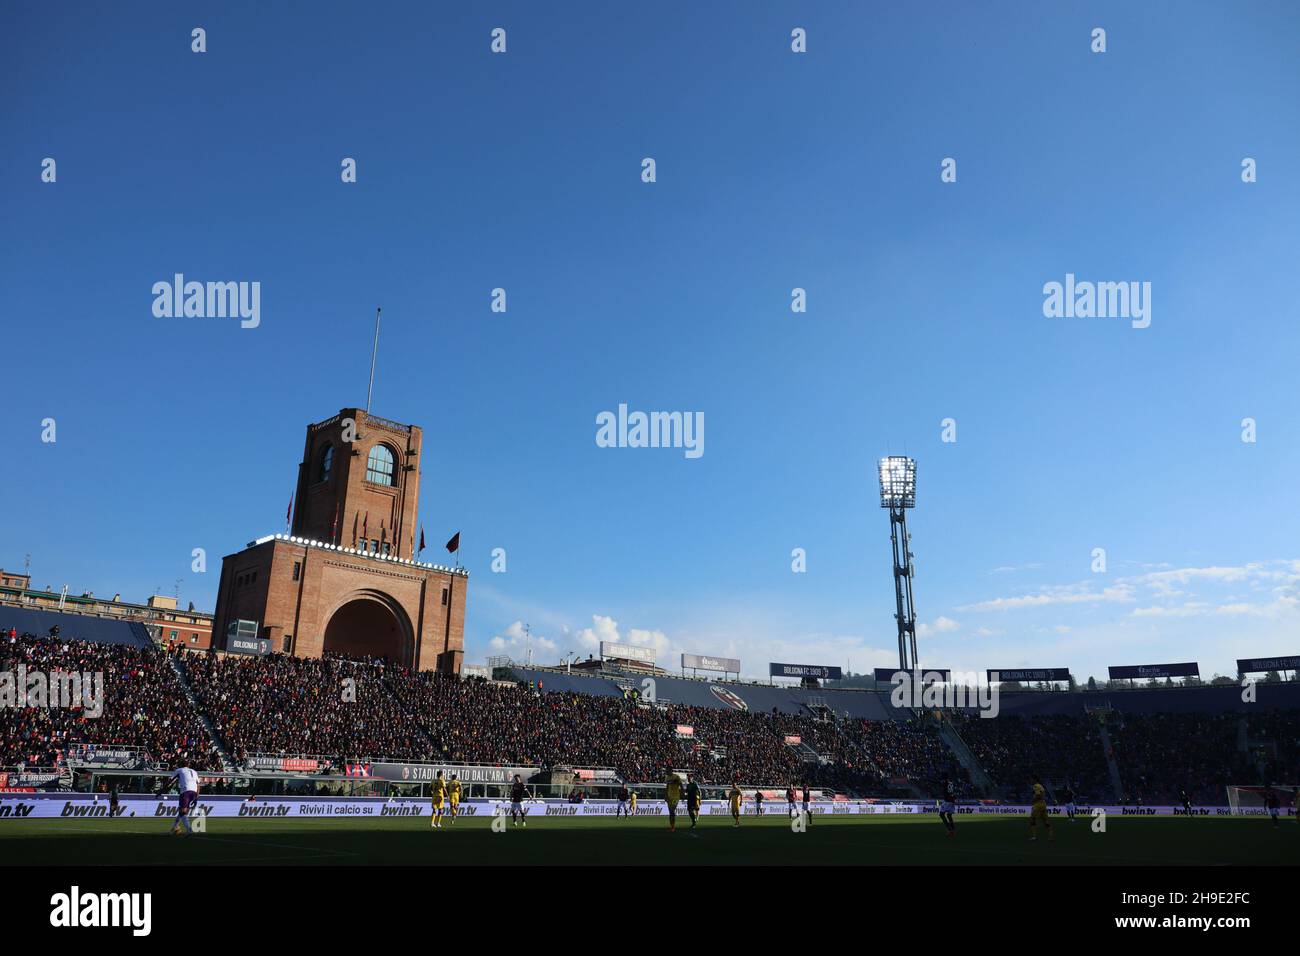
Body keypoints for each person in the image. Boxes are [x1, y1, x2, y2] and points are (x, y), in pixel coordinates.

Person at [156, 764, 200, 836]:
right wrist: (196, 798)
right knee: (181, 812)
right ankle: (173, 829)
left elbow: (170, 781)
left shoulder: (179, 770)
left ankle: (189, 830)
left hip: (185, 792)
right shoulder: (194, 771)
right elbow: (198, 785)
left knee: (183, 813)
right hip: (194, 792)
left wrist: (161, 791)